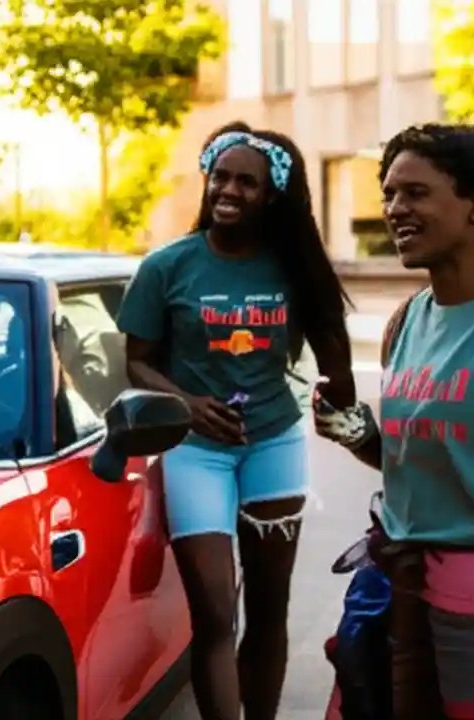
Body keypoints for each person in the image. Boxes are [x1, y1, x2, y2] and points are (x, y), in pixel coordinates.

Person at [116, 121, 358, 720]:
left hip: (272, 443)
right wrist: (188, 404)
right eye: (220, 176)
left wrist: (339, 400)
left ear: (271, 194)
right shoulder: (168, 266)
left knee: (270, 608)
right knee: (216, 612)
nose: (228, 190)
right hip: (194, 449)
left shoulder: (293, 268)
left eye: (246, 182)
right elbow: (137, 363)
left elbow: (334, 355)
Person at [316, 122, 474, 719]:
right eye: (389, 194)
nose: (394, 209)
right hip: (399, 580)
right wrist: (358, 432)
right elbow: (411, 463)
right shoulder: (408, 320)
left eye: (415, 193)